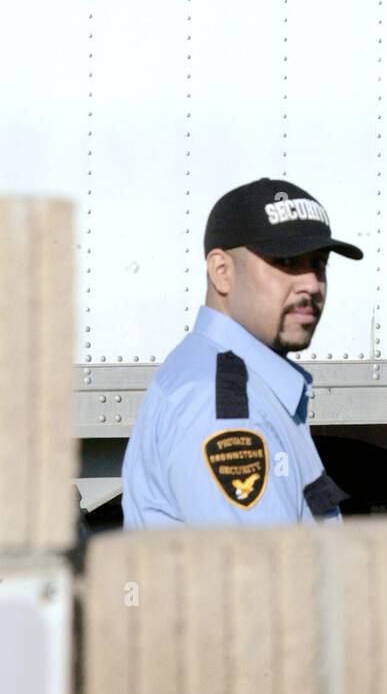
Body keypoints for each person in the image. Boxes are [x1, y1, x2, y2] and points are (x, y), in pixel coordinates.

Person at [122, 178, 363, 528]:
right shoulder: (228, 410)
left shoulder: (227, 378)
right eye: (286, 260)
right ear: (222, 272)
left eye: (319, 263)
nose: (312, 283)